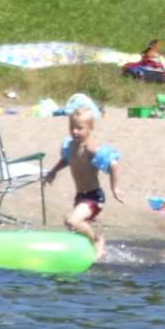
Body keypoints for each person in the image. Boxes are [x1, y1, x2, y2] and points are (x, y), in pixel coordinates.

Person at [44, 104, 124, 258]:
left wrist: (115, 188)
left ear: (90, 127)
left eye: (79, 128)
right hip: (80, 196)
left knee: (71, 221)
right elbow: (66, 159)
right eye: (72, 127)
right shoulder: (71, 146)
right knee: (75, 228)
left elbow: (113, 164)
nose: (75, 131)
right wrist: (53, 172)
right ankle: (90, 249)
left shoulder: (91, 149)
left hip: (94, 197)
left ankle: (97, 240)